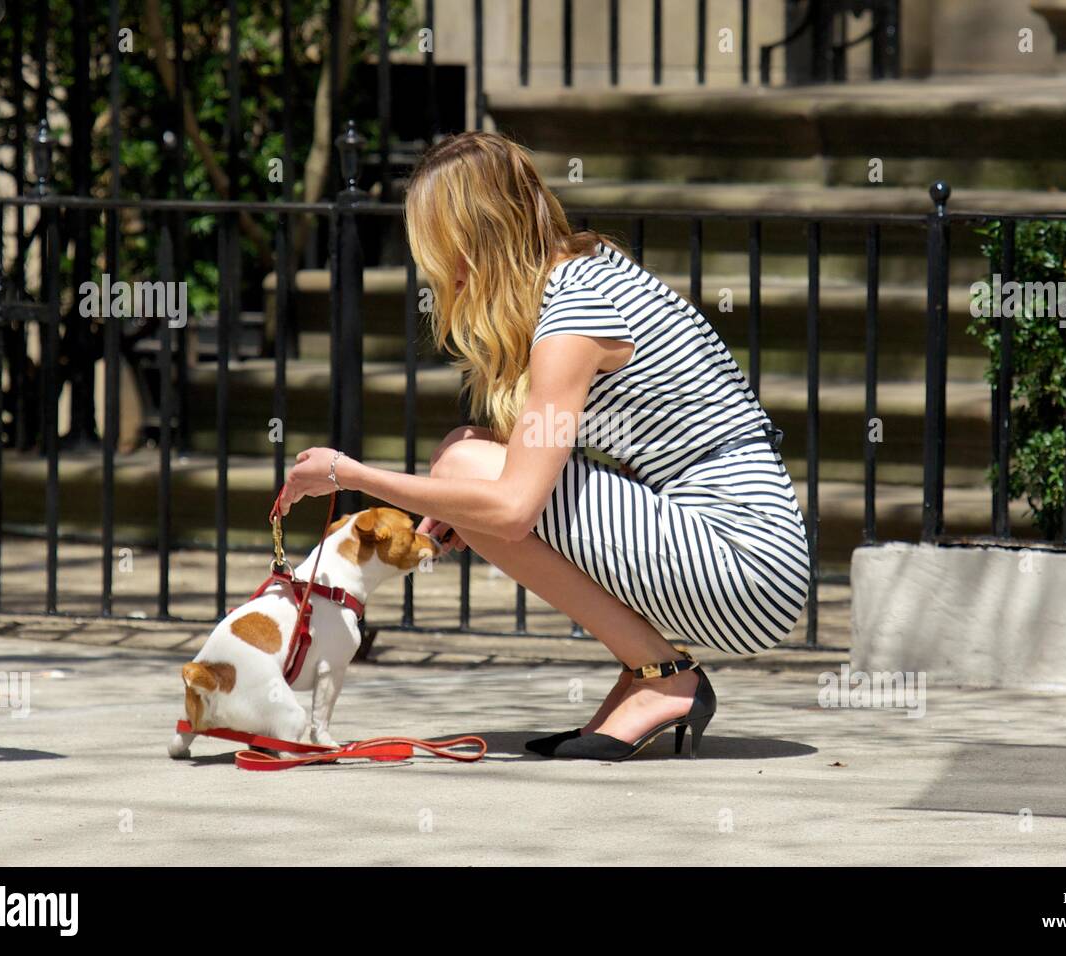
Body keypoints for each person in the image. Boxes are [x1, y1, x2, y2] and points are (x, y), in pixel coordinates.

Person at [280, 131, 811, 760]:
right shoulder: (583, 279)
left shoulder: (576, 314)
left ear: (472, 238)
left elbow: (512, 509)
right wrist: (458, 504)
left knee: (469, 469)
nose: (434, 269)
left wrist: (349, 473)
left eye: (437, 246)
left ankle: (665, 678)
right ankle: (648, 674)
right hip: (737, 549)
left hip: (746, 562)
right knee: (468, 450)